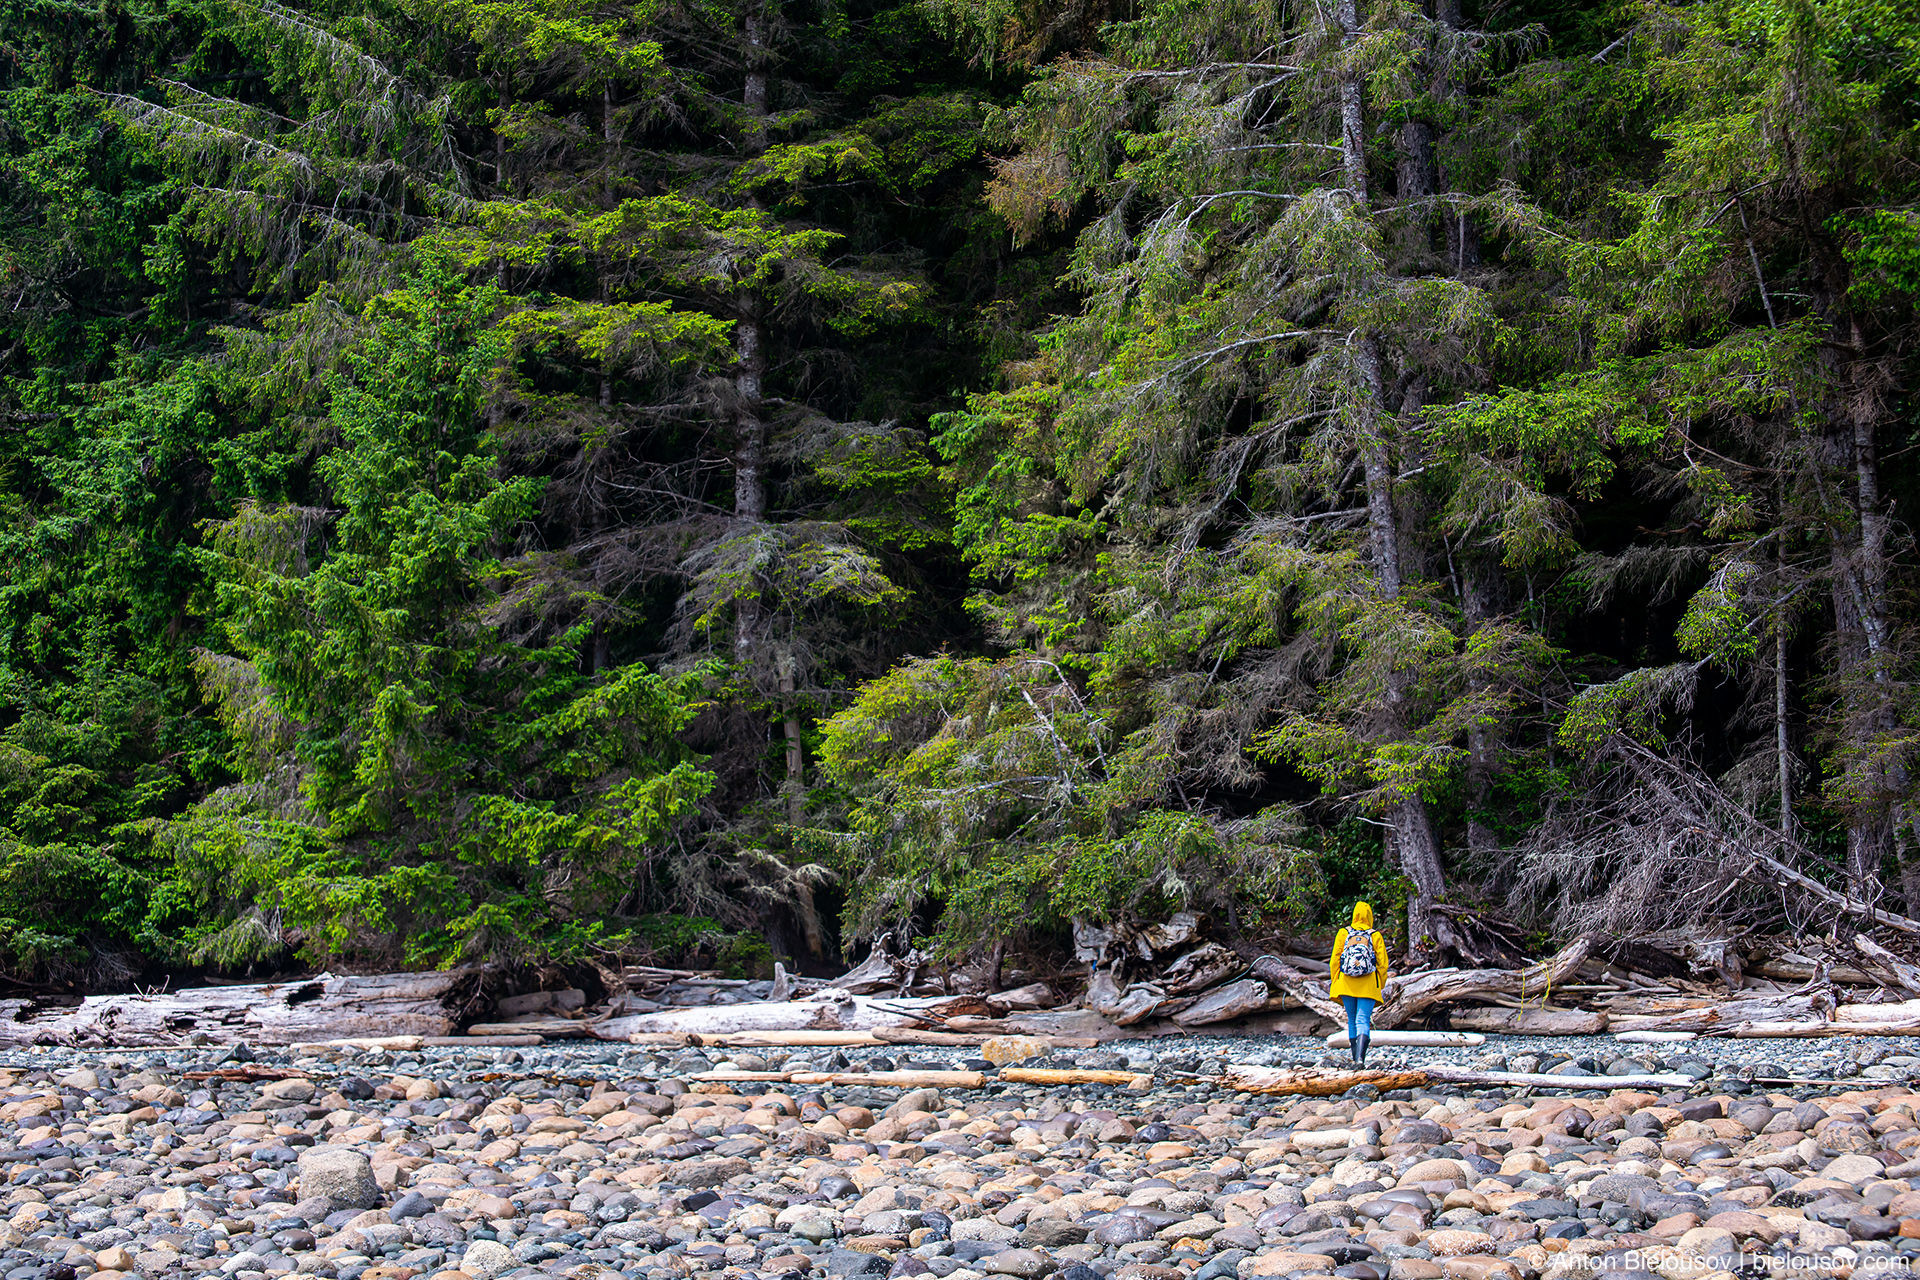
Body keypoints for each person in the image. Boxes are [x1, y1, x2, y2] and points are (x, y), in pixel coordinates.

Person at [1329, 901, 1389, 1067]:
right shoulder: (1375, 935)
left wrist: (1335, 980)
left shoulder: (1343, 933)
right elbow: (1383, 964)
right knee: (1363, 1019)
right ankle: (1360, 1059)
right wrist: (1380, 983)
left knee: (1351, 1019)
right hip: (1368, 984)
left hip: (1346, 983)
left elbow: (1335, 960)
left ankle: (1355, 1058)